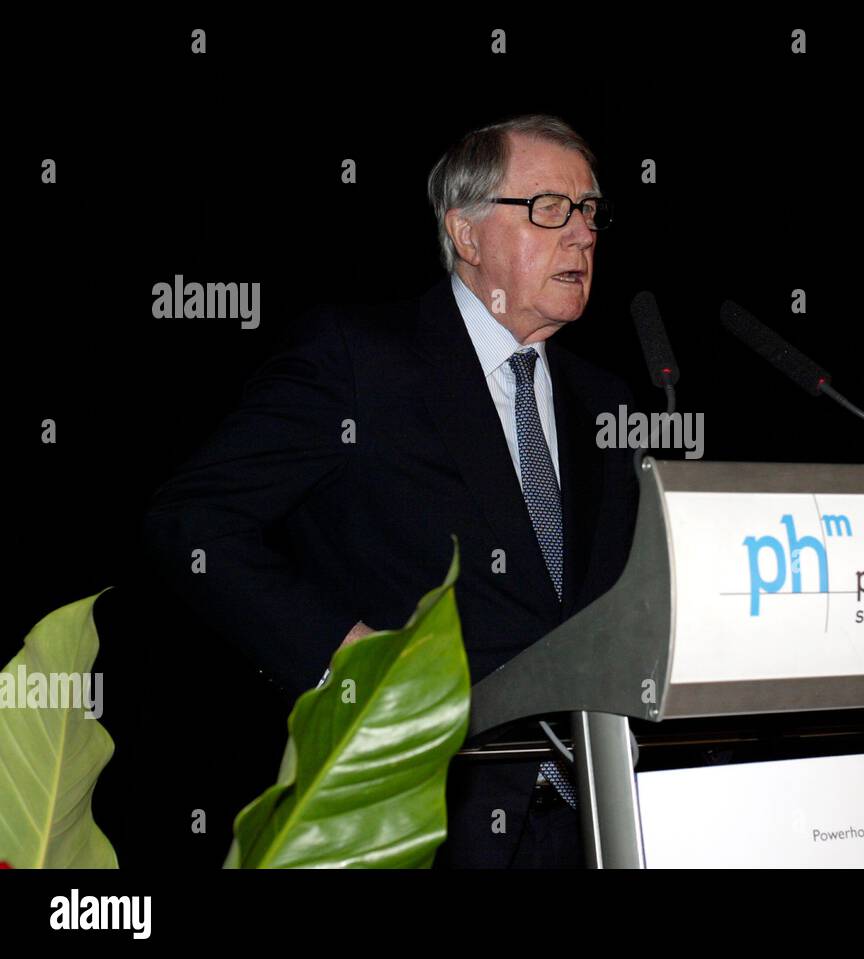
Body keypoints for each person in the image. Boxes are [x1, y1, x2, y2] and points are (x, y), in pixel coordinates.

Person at [140, 113, 639, 868]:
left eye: (590, 211)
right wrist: (345, 658)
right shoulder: (359, 360)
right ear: (466, 234)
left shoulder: (608, 403)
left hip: (596, 825)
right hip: (420, 821)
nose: (581, 234)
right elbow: (194, 521)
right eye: (549, 208)